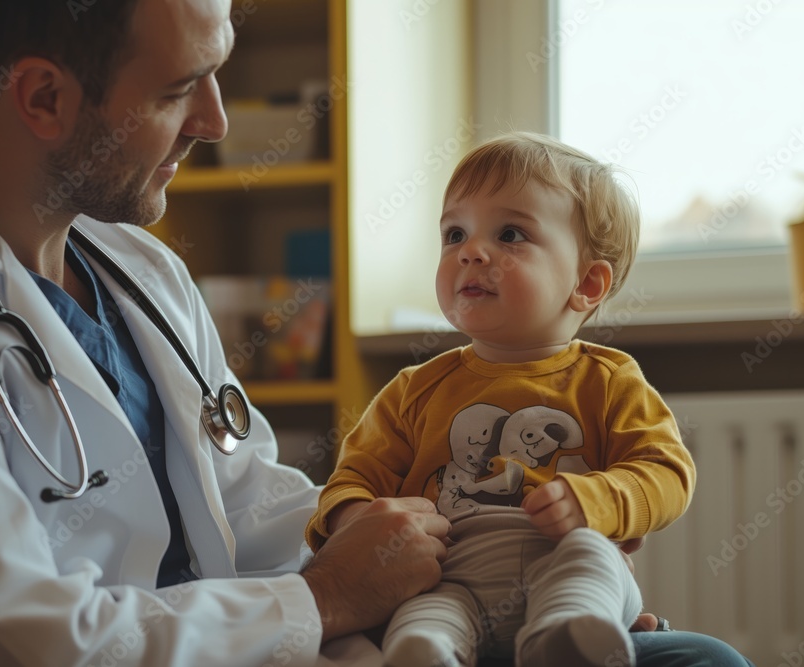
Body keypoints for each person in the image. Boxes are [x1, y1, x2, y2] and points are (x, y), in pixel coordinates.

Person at [0, 1, 750, 665]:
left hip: (286, 642)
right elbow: (1, 638)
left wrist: (511, 583)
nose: (216, 120)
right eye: (180, 88)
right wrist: (322, 599)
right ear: (45, 97)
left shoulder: (139, 270)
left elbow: (254, 508)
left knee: (695, 660)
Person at [306, 134, 755, 667]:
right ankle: (425, 652)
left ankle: (565, 642)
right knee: (423, 610)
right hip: (451, 576)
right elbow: (351, 480)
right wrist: (355, 519)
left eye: (510, 234)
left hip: (563, 564)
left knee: (664, 616)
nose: (470, 251)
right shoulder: (412, 391)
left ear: (587, 283)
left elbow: (667, 472)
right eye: (454, 234)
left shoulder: (610, 381)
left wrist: (597, 501)